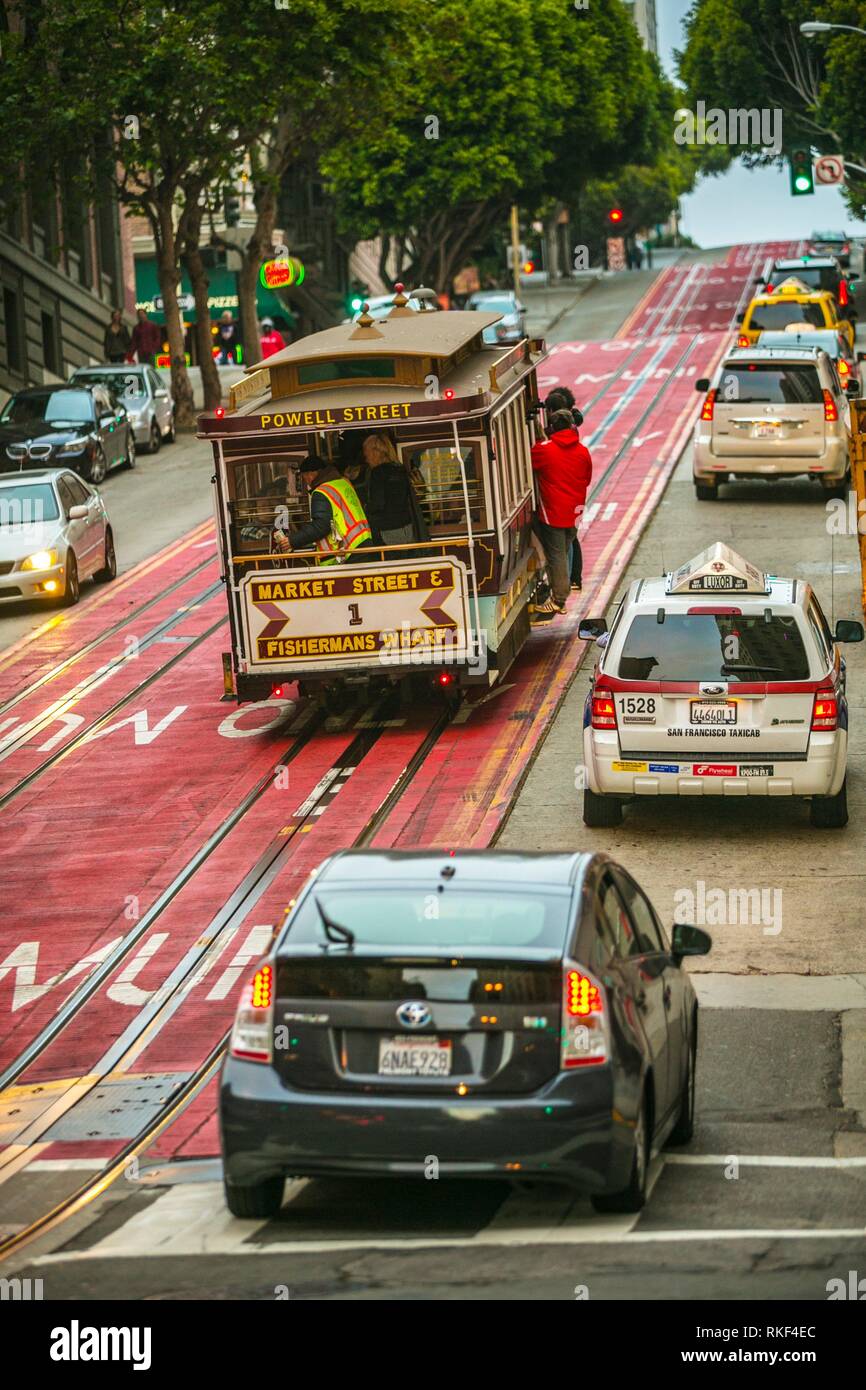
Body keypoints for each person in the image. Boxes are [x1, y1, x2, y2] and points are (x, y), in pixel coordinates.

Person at [530, 408, 593, 613]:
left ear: (552, 428)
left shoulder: (545, 450)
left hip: (553, 513)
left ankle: (559, 599)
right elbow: (588, 478)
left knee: (556, 555)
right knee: (563, 551)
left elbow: (531, 459)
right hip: (575, 512)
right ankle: (559, 587)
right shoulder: (583, 450)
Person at [274, 453, 372, 564]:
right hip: (364, 540)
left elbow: (321, 525)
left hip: (349, 548)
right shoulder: (343, 483)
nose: (306, 482)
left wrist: (293, 540)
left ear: (310, 475)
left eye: (304, 477)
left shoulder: (321, 492)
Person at [362, 433, 428, 548]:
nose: (366, 459)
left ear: (374, 453)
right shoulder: (400, 469)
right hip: (408, 527)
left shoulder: (377, 473)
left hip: (388, 530)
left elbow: (378, 504)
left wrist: (365, 508)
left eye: (366, 455)